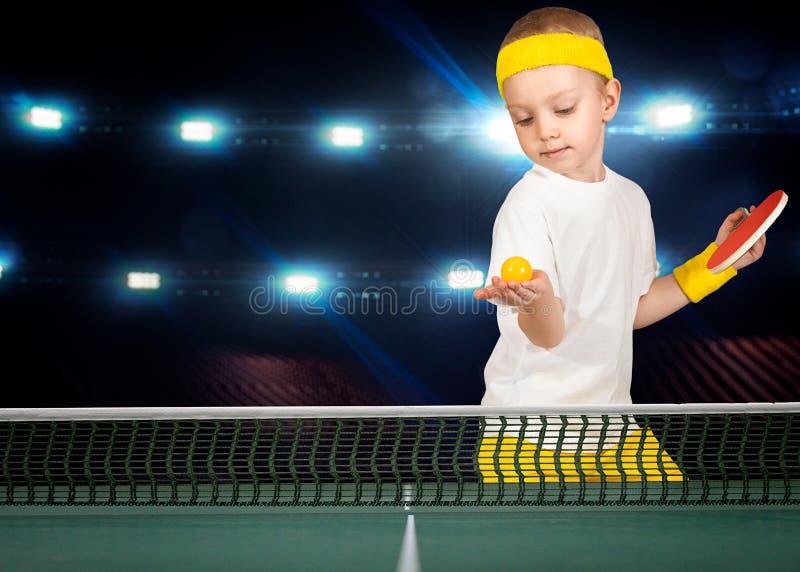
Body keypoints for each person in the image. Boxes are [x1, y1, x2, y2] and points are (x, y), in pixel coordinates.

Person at [472, 7, 767, 483]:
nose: (545, 129)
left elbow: (631, 310)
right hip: (531, 440)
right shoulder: (526, 207)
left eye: (563, 109)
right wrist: (537, 302)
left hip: (615, 431)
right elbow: (547, 335)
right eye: (524, 119)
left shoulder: (632, 199)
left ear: (608, 100)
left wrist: (719, 262)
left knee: (677, 521)